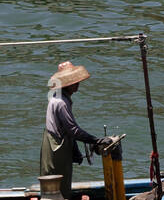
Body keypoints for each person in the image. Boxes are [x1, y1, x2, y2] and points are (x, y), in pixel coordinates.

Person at [40, 61, 111, 191]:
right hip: (55, 148)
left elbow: (66, 129)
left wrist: (74, 149)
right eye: (74, 82)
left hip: (58, 143)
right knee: (57, 188)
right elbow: (73, 130)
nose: (78, 84)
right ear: (67, 85)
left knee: (60, 184)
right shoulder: (61, 102)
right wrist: (96, 140)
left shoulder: (61, 98)